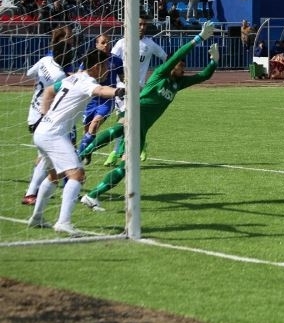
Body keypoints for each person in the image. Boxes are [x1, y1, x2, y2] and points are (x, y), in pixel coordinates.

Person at [79, 22, 218, 212]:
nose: (183, 69)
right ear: (172, 66)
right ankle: (84, 152)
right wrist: (198, 39)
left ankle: (92, 195)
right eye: (180, 65)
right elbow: (177, 54)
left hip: (143, 129)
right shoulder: (160, 74)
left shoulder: (178, 84)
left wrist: (214, 61)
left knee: (126, 167)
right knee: (118, 129)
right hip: (135, 112)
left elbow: (204, 76)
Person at [27, 48, 122, 235]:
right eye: (105, 66)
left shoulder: (73, 78)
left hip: (43, 131)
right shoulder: (87, 81)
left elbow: (49, 90)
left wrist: (45, 115)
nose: (107, 70)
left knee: (54, 176)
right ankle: (63, 222)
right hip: (54, 135)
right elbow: (101, 90)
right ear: (95, 67)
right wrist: (120, 90)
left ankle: (37, 218)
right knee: (77, 175)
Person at [104, 15, 168, 166]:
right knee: (124, 121)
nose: (142, 27)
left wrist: (160, 77)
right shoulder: (121, 43)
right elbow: (110, 61)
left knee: (126, 120)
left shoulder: (149, 44)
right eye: (139, 24)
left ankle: (116, 152)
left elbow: (166, 58)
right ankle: (138, 145)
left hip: (138, 89)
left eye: (144, 24)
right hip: (120, 88)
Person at [20, 26, 74, 205]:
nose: (72, 42)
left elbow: (29, 74)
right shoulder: (61, 74)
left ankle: (40, 189)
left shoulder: (45, 60)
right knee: (46, 157)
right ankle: (31, 193)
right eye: (69, 39)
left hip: (33, 112)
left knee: (45, 155)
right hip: (44, 116)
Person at [75, 34, 123, 158]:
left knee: (94, 124)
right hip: (90, 99)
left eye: (108, 42)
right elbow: (80, 75)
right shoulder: (90, 60)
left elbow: (123, 78)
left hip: (107, 100)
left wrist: (129, 87)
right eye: (103, 42)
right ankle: (87, 151)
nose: (106, 45)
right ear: (96, 45)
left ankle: (79, 156)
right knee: (87, 130)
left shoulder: (116, 60)